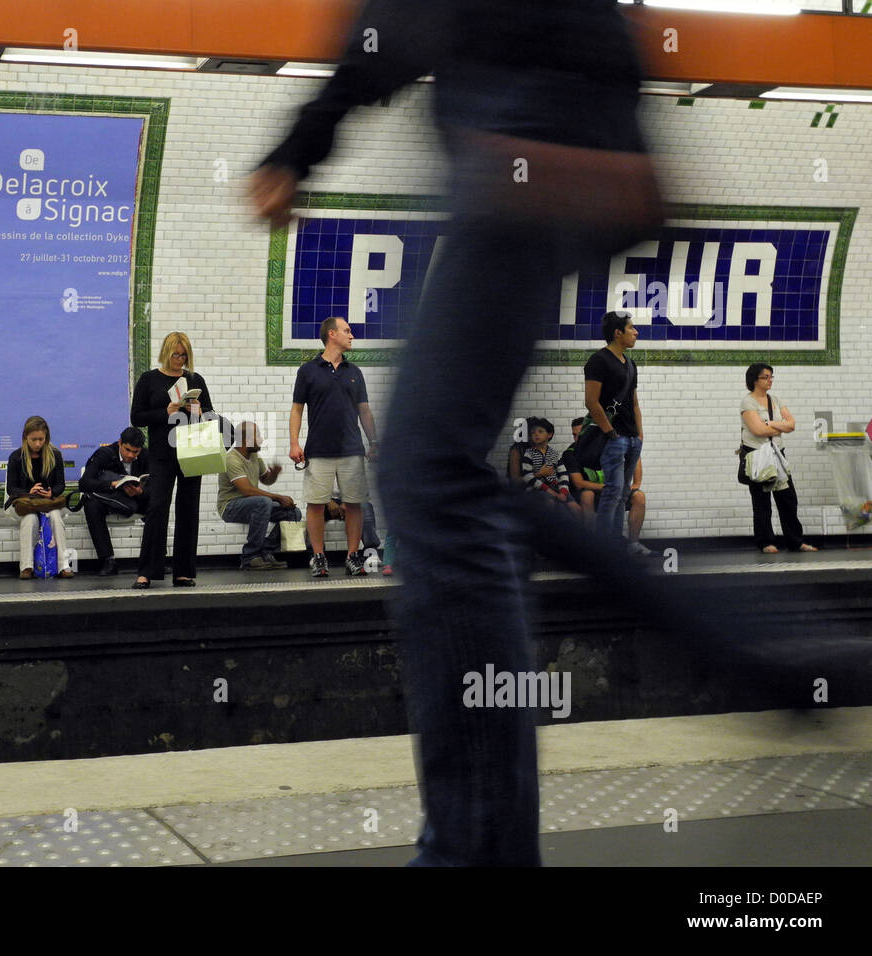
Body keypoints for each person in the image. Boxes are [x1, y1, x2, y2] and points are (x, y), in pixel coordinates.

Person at [251, 0, 665, 864]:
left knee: (430, 477)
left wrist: (301, 143)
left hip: (521, 162)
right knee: (441, 481)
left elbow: (389, 33)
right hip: (540, 159)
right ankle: (488, 839)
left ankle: (476, 847)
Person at [289, 316, 380, 577]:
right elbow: (296, 410)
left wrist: (373, 442)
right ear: (332, 334)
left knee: (355, 503)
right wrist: (294, 443)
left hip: (352, 450)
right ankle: (318, 557)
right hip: (318, 450)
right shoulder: (308, 371)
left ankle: (353, 556)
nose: (351, 336)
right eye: (347, 331)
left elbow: (365, 411)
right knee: (316, 504)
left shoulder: (355, 372)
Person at [131, 331, 215, 589]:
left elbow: (211, 415)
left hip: (192, 450)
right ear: (166, 353)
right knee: (156, 508)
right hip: (161, 453)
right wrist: (164, 412)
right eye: (175, 354)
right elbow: (137, 418)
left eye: (184, 355)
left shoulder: (194, 379)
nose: (179, 359)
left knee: (188, 511)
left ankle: (183, 571)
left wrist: (199, 412)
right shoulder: (149, 380)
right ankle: (147, 571)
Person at [740, 363, 818, 554]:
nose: (770, 380)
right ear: (754, 380)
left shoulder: (774, 399)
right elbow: (757, 430)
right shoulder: (747, 402)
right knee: (761, 502)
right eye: (765, 377)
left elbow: (791, 425)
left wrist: (770, 423)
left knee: (788, 499)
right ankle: (766, 542)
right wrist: (779, 426)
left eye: (771, 377)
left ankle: (795, 541)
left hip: (777, 454)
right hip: (757, 455)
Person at [585, 311, 643, 542]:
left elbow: (634, 401)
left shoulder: (629, 364)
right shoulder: (599, 361)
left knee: (622, 494)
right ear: (618, 333)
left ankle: (617, 544)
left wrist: (640, 434)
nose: (636, 332)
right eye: (631, 328)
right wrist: (610, 432)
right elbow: (591, 401)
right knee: (612, 492)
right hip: (613, 438)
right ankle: (603, 547)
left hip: (631, 438)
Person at [217, 421, 302, 570]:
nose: (261, 439)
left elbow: (266, 480)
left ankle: (266, 552)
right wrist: (278, 497)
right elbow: (247, 491)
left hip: (253, 505)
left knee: (293, 512)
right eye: (258, 435)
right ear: (246, 440)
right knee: (264, 502)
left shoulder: (254, 455)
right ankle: (249, 557)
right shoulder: (231, 459)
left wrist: (273, 474)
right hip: (230, 507)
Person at [5, 416, 75, 579]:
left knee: (56, 517)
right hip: (26, 503)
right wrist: (29, 492)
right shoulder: (16, 457)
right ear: (25, 437)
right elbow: (11, 489)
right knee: (29, 520)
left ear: (47, 438)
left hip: (48, 502)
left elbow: (61, 484)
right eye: (33, 439)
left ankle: (64, 565)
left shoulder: (55, 455)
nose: (37, 444)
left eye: (41, 439)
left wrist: (51, 493)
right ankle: (26, 567)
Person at [563, 422, 649, 553]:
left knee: (639, 496)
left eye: (581, 435)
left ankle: (633, 544)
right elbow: (579, 483)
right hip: (590, 493)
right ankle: (592, 545)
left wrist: (636, 483)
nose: (577, 439)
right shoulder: (570, 453)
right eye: (574, 435)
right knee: (588, 495)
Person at [79, 426, 151, 576]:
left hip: (135, 500)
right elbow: (84, 483)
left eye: (135, 452)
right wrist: (112, 485)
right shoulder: (105, 454)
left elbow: (155, 489)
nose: (130, 455)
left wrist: (140, 492)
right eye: (127, 450)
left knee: (157, 504)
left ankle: (156, 558)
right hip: (111, 499)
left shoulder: (146, 456)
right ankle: (108, 560)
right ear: (119, 443)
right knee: (91, 505)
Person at [519, 417, 577, 514]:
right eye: (533, 433)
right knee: (551, 504)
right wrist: (550, 492)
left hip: (556, 487)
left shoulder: (554, 454)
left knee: (575, 507)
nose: (536, 434)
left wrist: (563, 491)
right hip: (537, 489)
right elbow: (527, 477)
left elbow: (564, 474)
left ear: (549, 434)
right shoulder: (528, 454)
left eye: (540, 431)